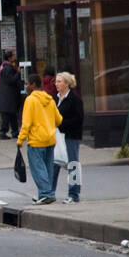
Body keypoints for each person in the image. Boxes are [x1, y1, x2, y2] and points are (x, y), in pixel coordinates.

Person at [18, 73, 62, 204]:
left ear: (33, 85)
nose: (26, 86)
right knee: (47, 168)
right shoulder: (49, 99)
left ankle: (45, 193)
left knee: (37, 168)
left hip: (36, 140)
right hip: (50, 139)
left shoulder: (30, 100)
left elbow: (26, 123)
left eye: (27, 84)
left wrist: (20, 140)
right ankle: (47, 193)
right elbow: (59, 119)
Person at [51, 71, 84, 204]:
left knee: (73, 164)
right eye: (56, 81)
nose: (56, 84)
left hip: (71, 135)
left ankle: (74, 193)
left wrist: (62, 124)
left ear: (67, 83)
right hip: (57, 136)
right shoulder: (54, 98)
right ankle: (49, 192)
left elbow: (79, 118)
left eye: (59, 81)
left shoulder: (75, 99)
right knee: (54, 163)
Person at [0, 50, 22, 140]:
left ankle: (15, 132)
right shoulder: (8, 68)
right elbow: (11, 80)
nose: (15, 57)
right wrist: (18, 73)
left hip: (7, 96)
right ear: (10, 58)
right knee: (7, 115)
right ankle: (3, 132)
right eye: (13, 55)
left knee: (12, 115)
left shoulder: (4, 66)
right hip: (8, 96)